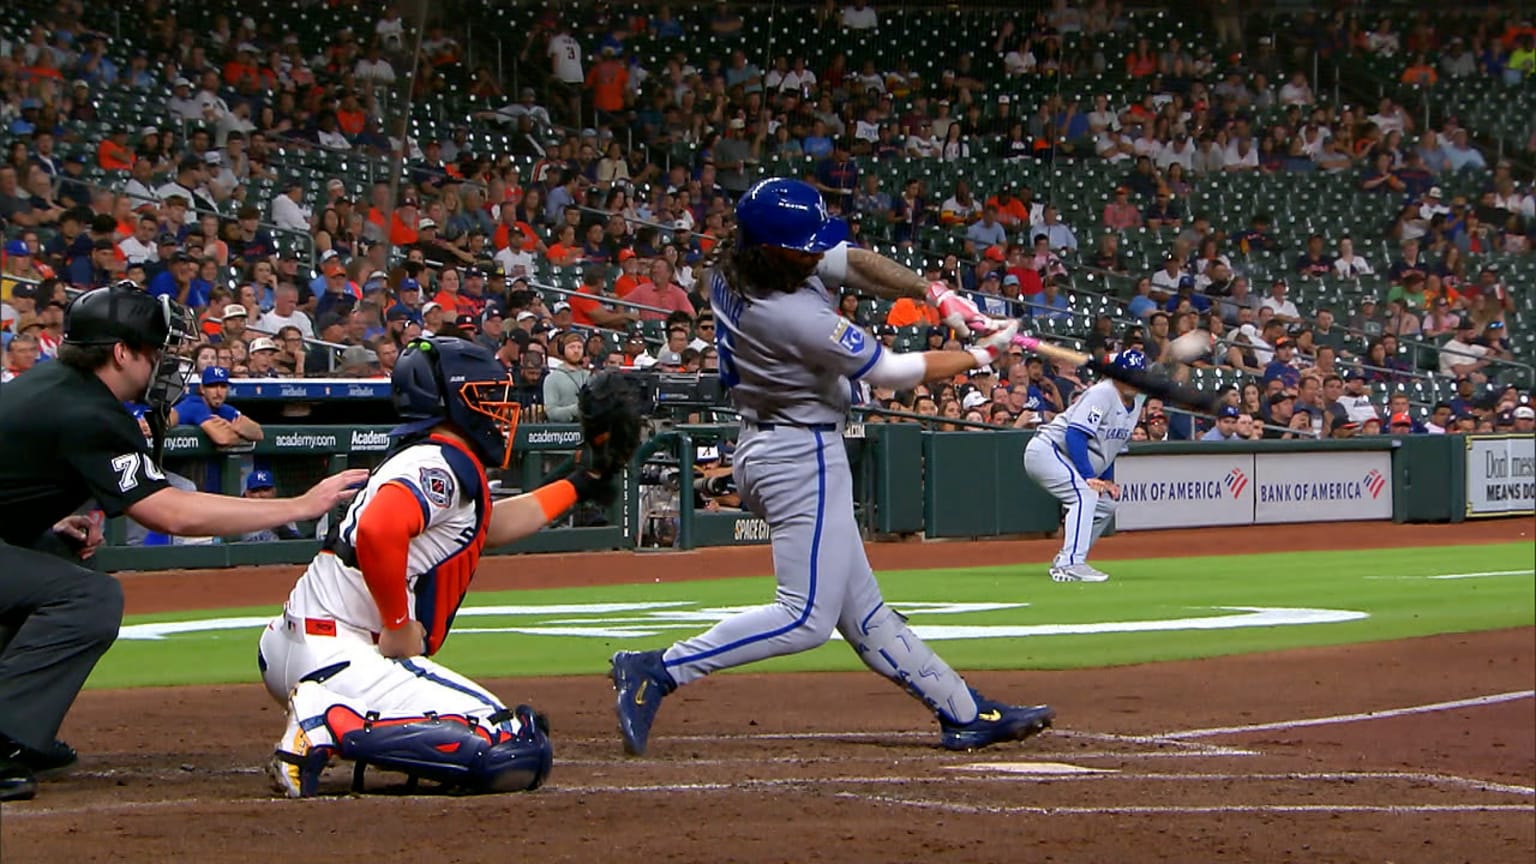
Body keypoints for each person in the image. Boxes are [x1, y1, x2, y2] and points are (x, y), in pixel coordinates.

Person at [608, 179, 1051, 760]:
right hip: (800, 455)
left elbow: (855, 262)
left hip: (778, 442)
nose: (817, 254)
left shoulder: (737, 268)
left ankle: (965, 714)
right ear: (773, 250)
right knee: (805, 619)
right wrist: (982, 354)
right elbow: (891, 372)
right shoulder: (789, 314)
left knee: (864, 614)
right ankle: (658, 669)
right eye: (805, 247)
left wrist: (936, 293)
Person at [0, 283, 366, 802]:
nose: (163, 364)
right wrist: (298, 506)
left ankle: (19, 733)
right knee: (90, 597)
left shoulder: (57, 386)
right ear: (121, 352)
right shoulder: (88, 411)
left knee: (55, 557)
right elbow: (170, 512)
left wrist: (44, 525)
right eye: (154, 350)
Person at [260, 335, 632, 797]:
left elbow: (487, 527)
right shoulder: (441, 462)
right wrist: (398, 623)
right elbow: (379, 529)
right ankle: (325, 720)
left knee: (504, 740)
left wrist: (581, 481)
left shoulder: (430, 455)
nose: (499, 407)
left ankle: (336, 713)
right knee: (514, 745)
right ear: (451, 401)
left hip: (305, 642)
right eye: (485, 395)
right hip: (340, 652)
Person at [1021, 350, 1147, 582]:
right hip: (1048, 450)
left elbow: (1109, 446)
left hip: (1065, 457)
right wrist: (1089, 476)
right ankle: (1071, 564)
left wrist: (1106, 480)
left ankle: (1067, 557)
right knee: (1085, 495)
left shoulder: (1137, 402)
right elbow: (1075, 434)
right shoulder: (1103, 393)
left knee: (1105, 505)